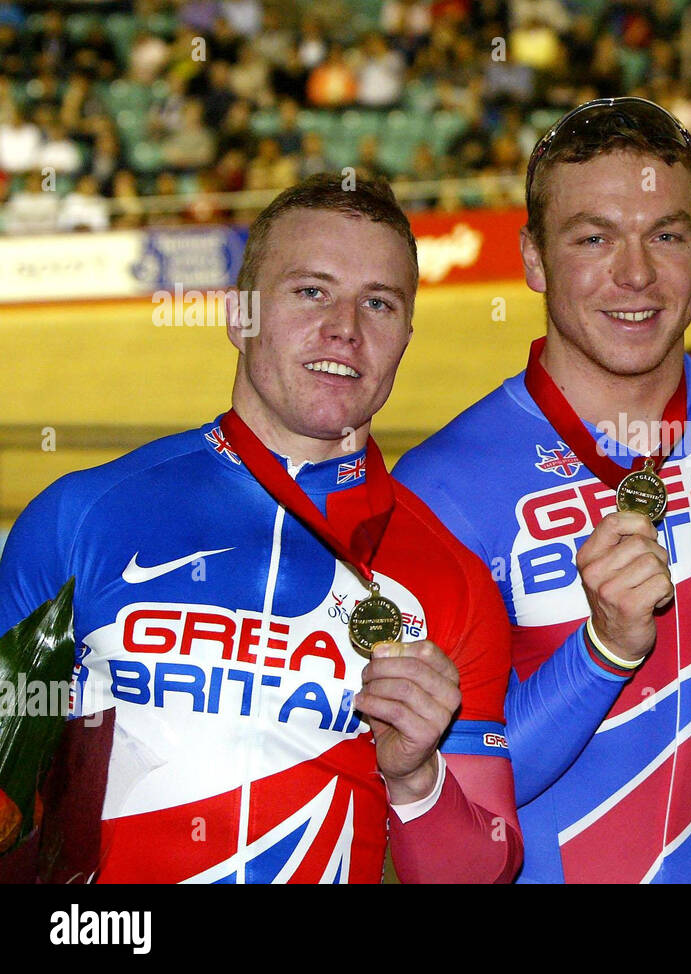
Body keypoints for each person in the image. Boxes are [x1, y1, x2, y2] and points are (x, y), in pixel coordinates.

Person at [0, 174, 522, 884]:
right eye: (311, 291)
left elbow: (480, 873)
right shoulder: (77, 519)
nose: (345, 327)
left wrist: (416, 778)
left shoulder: (452, 582)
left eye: (379, 302)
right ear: (238, 314)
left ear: (404, 336)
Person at [393, 98, 691, 883]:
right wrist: (603, 651)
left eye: (666, 235)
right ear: (534, 259)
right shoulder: (439, 489)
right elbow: (460, 824)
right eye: (595, 238)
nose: (637, 274)